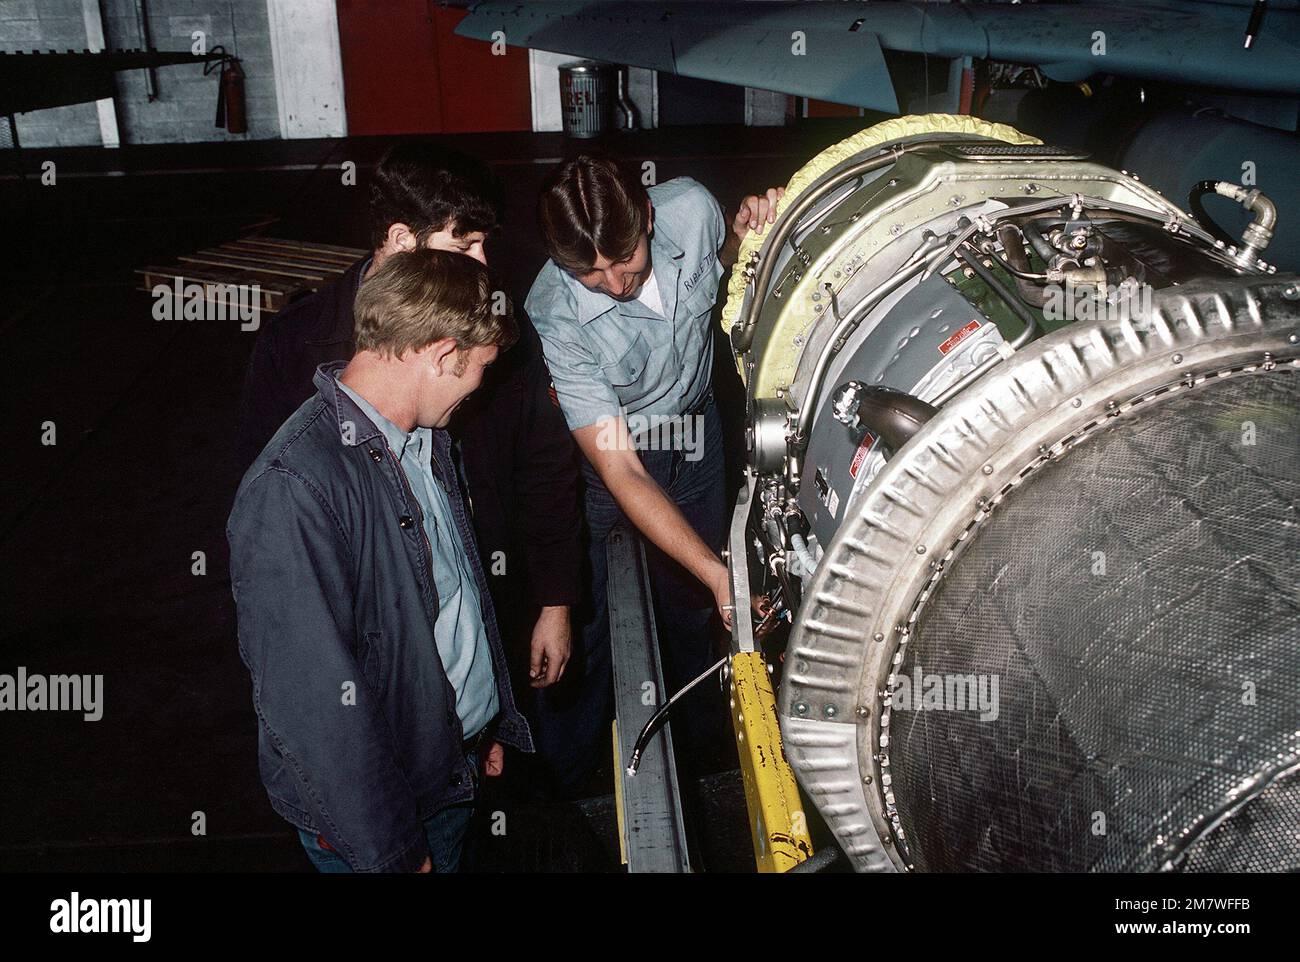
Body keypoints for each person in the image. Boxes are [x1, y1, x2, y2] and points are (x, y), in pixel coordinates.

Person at [235, 143, 580, 698]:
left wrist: (555, 600)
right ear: (402, 241)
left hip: (488, 607)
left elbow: (545, 465)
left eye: (484, 243)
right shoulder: (295, 344)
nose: (484, 263)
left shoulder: (496, 329)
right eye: (463, 243)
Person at [228, 249, 530, 872]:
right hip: (388, 819)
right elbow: (311, 707)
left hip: (448, 769)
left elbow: (455, 591)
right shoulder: (293, 489)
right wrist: (392, 849)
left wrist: (482, 720)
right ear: (444, 355)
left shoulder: (424, 438)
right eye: (480, 369)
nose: (480, 389)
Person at [525, 155, 783, 794]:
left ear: (646, 217)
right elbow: (620, 469)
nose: (614, 285)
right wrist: (719, 572)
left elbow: (732, 257)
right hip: (619, 460)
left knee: (696, 616)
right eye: (590, 274)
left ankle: (703, 767)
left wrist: (758, 223)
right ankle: (570, 789)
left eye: (626, 263)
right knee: (590, 628)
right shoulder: (554, 311)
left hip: (696, 440)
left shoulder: (691, 208)